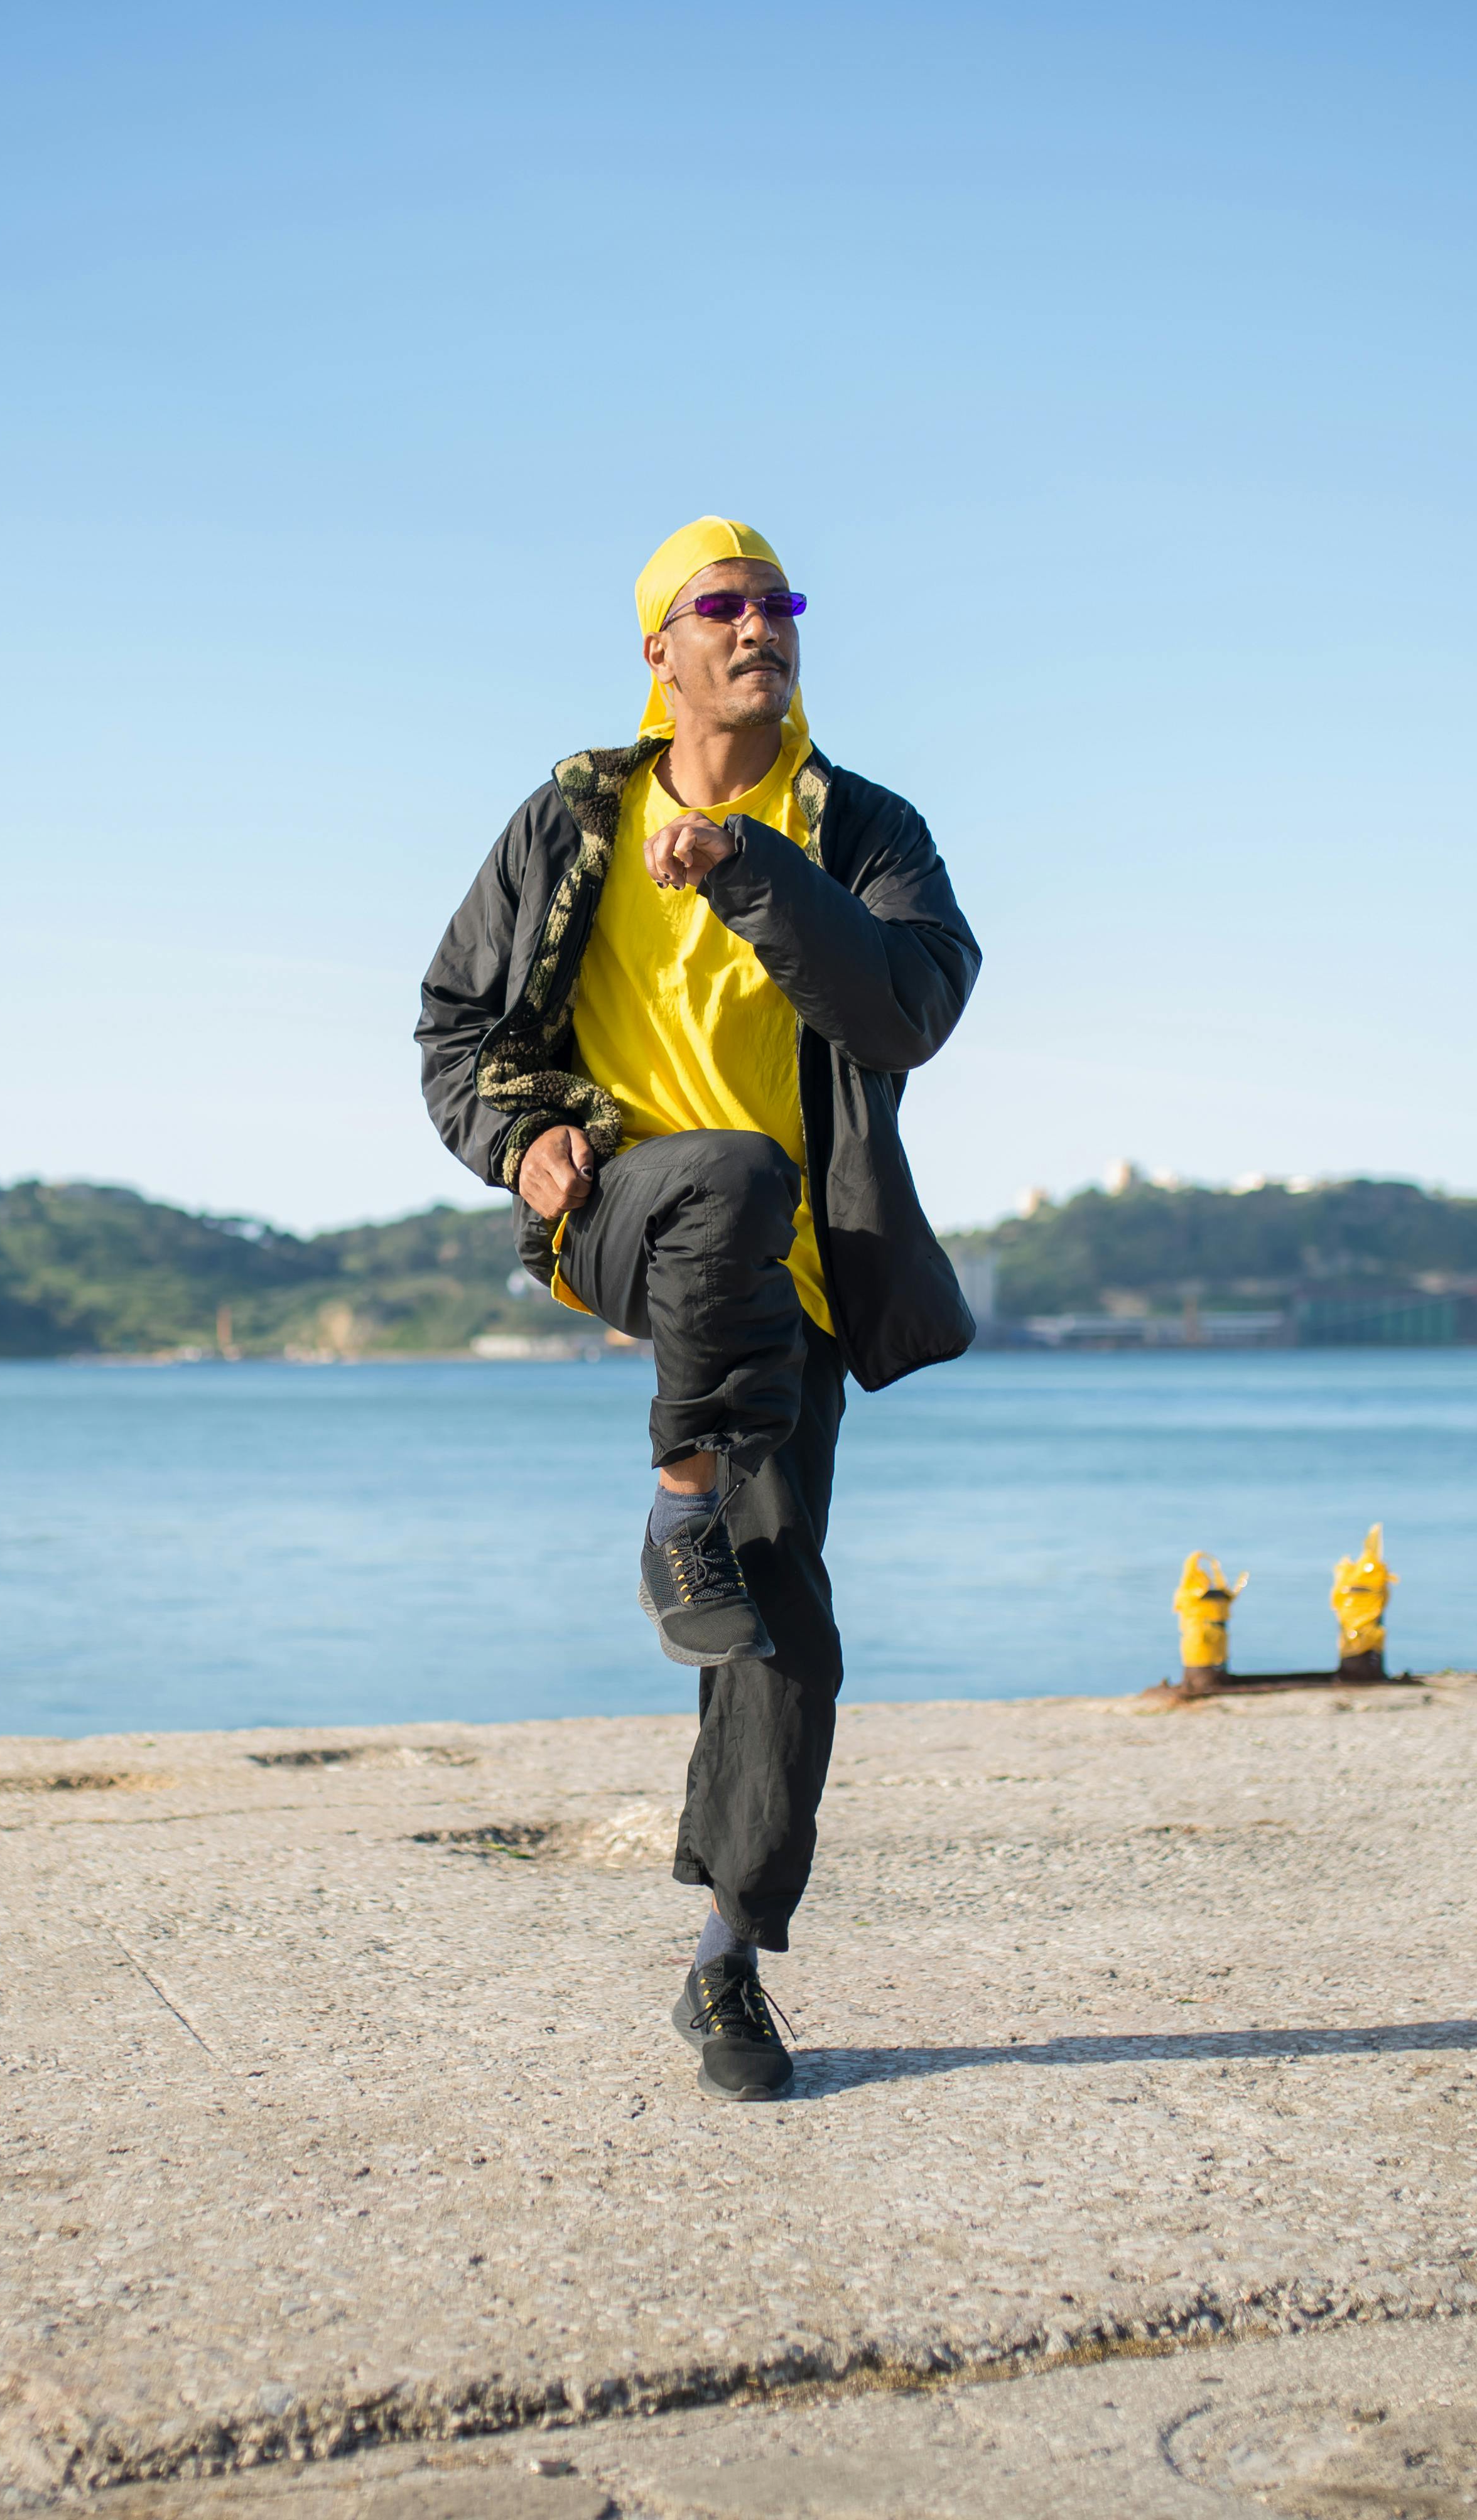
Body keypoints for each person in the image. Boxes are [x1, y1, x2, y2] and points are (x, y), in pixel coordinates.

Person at [414, 517, 982, 2101]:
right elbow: (451, 1023)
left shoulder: (857, 828)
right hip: (614, 1208)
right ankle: (674, 1508)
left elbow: (906, 1006)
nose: (757, 628)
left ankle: (727, 1958)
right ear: (658, 652)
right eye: (717, 607)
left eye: (777, 604)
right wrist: (519, 1140)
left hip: (786, 1280)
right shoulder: (569, 822)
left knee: (782, 1606)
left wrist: (752, 870)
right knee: (723, 1169)